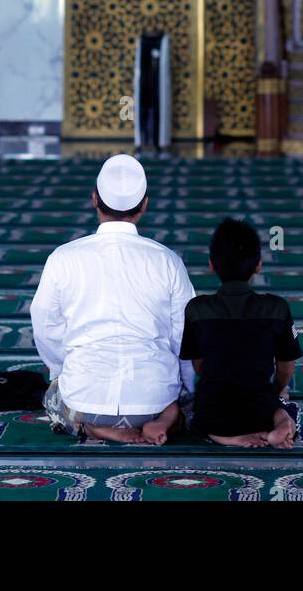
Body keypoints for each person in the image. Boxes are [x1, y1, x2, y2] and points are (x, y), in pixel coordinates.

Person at [30, 154, 195, 444]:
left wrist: (62, 370)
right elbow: (186, 335)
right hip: (154, 405)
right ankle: (167, 421)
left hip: (84, 401)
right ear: (144, 204)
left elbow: (44, 326)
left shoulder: (62, 258)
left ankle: (91, 428)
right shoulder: (168, 260)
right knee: (191, 404)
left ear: (95, 199)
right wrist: (188, 387)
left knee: (55, 395)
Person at [179, 216, 301, 449]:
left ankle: (220, 435)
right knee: (285, 407)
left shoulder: (197, 309)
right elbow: (286, 368)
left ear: (211, 264)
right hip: (259, 411)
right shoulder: (277, 307)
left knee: (196, 411)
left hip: (212, 414)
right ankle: (282, 424)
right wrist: (275, 391)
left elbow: (199, 366)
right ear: (258, 265)